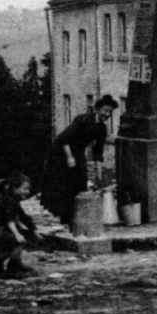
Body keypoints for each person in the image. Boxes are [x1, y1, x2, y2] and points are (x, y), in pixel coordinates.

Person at [41, 94, 117, 224]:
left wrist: (99, 168)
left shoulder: (101, 128)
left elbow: (98, 150)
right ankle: (64, 216)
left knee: (81, 178)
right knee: (66, 181)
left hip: (78, 151)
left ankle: (75, 213)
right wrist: (69, 157)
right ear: (98, 109)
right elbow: (63, 138)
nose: (107, 114)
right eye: (105, 110)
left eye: (110, 112)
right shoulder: (84, 119)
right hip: (61, 151)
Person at [0, 172, 40, 278]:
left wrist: (34, 230)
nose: (28, 192)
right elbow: (9, 219)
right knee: (16, 240)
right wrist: (17, 235)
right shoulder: (8, 200)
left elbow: (23, 216)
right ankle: (11, 268)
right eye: (24, 189)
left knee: (12, 240)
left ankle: (3, 265)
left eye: (28, 189)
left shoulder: (13, 200)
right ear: (14, 188)